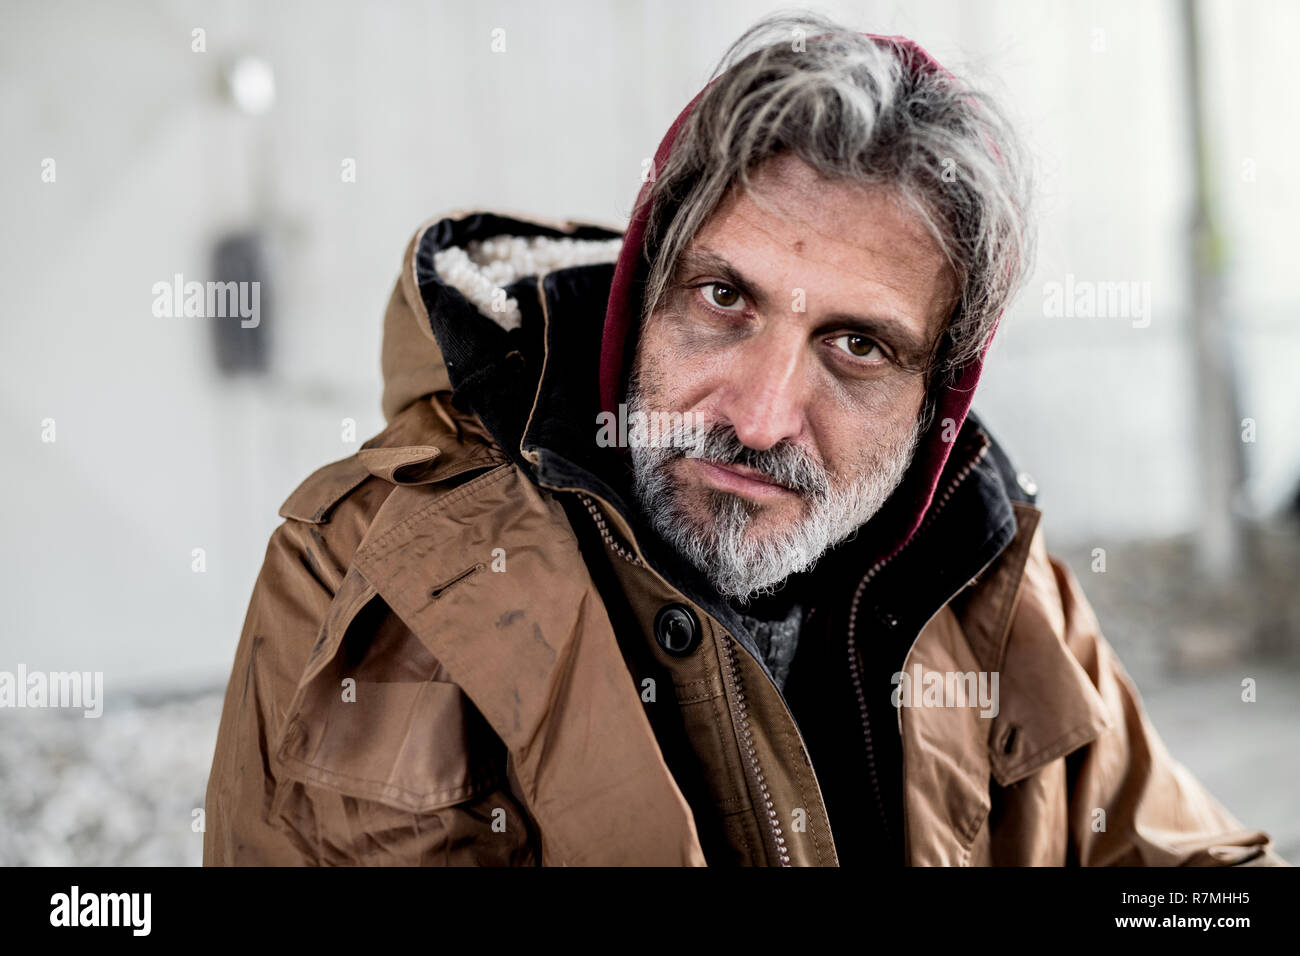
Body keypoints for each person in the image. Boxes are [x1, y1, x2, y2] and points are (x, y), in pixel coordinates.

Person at [203, 11, 1286, 866]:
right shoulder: (376, 565)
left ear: (935, 398)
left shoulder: (989, 575)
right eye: (724, 296)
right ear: (638, 296)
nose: (762, 417)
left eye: (856, 344)